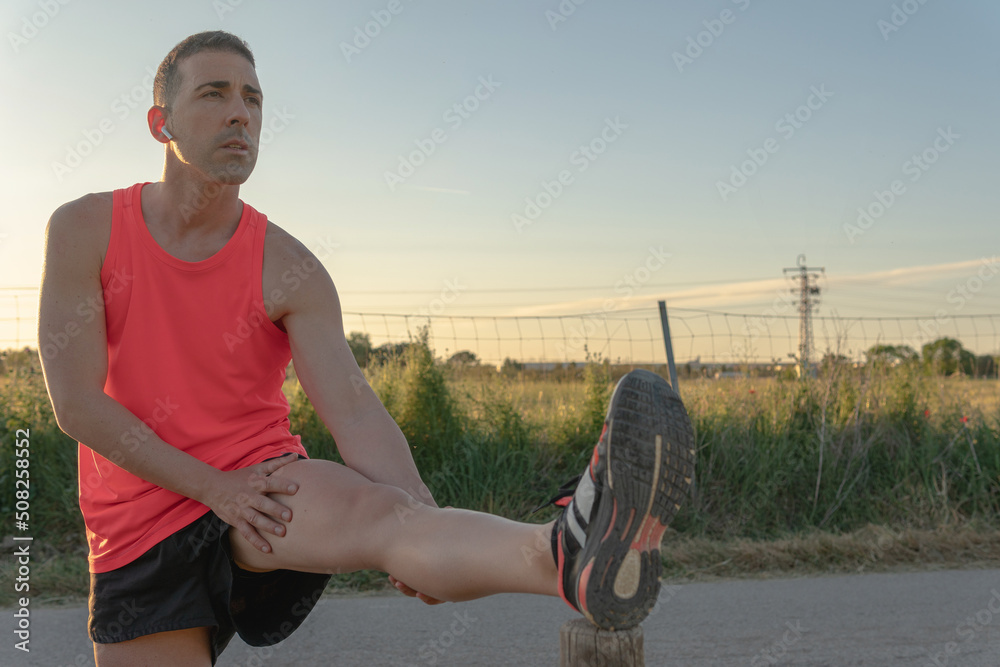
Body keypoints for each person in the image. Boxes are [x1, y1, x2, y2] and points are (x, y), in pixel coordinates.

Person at [37, 30, 696, 666]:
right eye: (214, 94)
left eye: (254, 98)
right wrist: (214, 488)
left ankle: (570, 552)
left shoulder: (289, 267)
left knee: (383, 515)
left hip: (261, 484)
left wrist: (425, 527)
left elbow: (353, 411)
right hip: (138, 526)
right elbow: (78, 404)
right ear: (162, 123)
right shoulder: (84, 229)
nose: (240, 113)